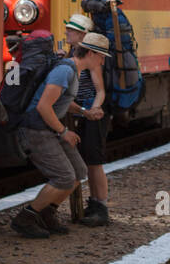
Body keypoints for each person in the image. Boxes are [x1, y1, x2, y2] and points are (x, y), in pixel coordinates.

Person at [10, 32, 113, 239]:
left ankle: (48, 213)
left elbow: (63, 102)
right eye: (101, 56)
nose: (102, 61)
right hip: (35, 129)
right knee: (64, 177)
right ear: (91, 53)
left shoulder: (73, 71)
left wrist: (85, 112)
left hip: (47, 127)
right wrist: (64, 131)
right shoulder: (65, 72)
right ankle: (26, 218)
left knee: (79, 171)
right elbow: (43, 106)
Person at [63, 15, 111, 226]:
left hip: (92, 115)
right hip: (79, 113)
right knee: (86, 160)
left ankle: (100, 206)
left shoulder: (92, 59)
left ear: (82, 35)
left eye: (71, 31)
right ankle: (91, 204)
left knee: (94, 161)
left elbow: (100, 90)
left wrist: (94, 109)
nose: (67, 33)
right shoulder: (68, 55)